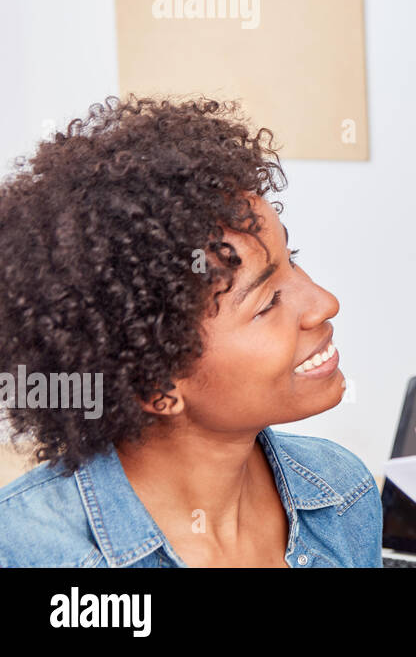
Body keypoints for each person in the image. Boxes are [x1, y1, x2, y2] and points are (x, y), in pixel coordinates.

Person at [0, 96, 381, 567]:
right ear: (154, 384)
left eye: (292, 261)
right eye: (267, 302)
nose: (324, 304)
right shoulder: (29, 551)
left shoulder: (343, 495)